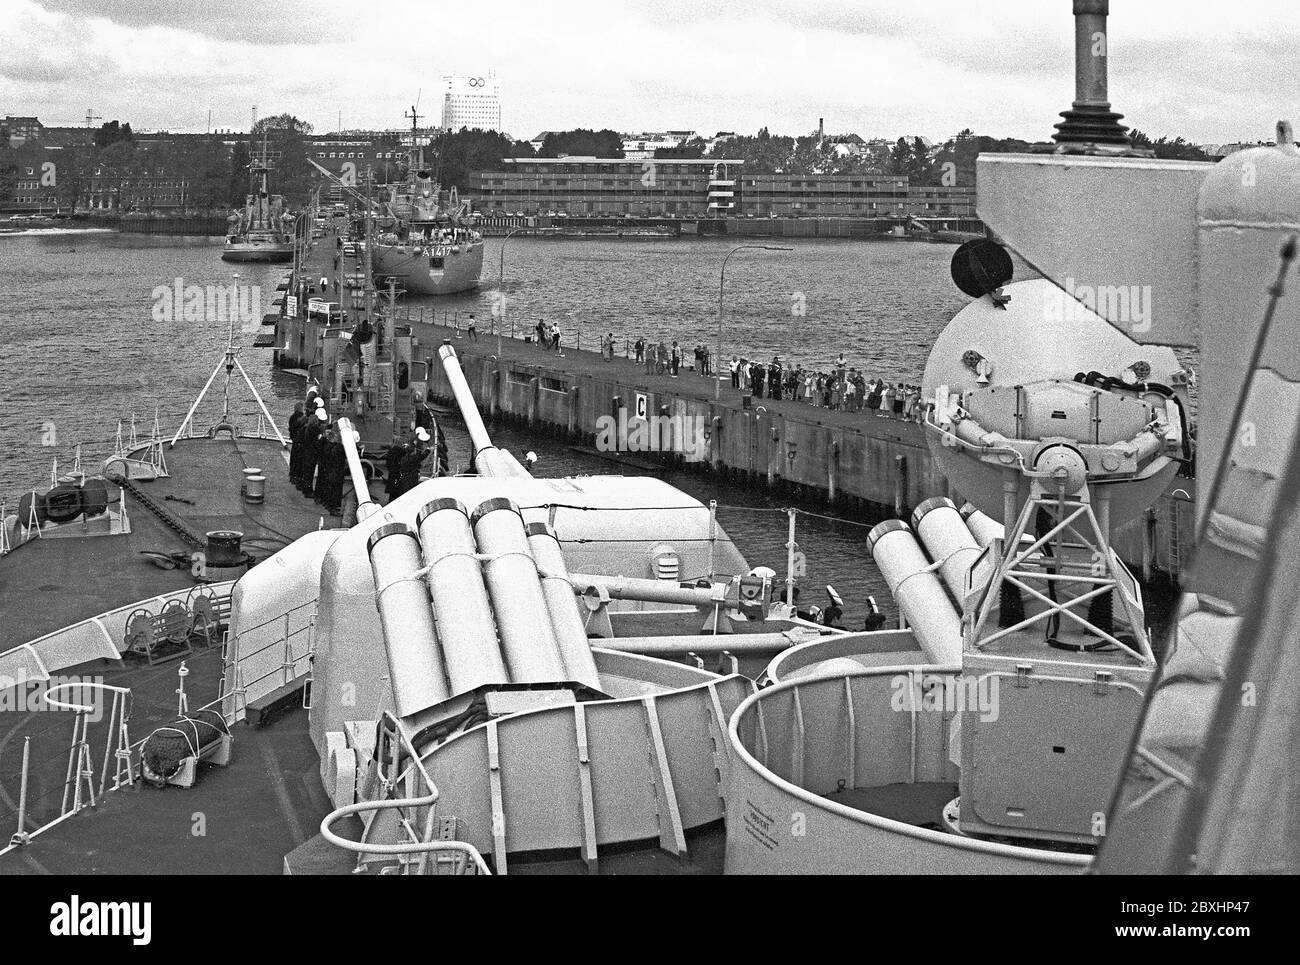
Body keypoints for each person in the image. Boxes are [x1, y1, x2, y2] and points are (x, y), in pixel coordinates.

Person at [287, 402, 306, 484]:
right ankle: (297, 477)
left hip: (295, 440)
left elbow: (291, 428)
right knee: (298, 460)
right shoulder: (301, 418)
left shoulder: (292, 417)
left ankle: (292, 475)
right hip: (300, 441)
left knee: (294, 459)